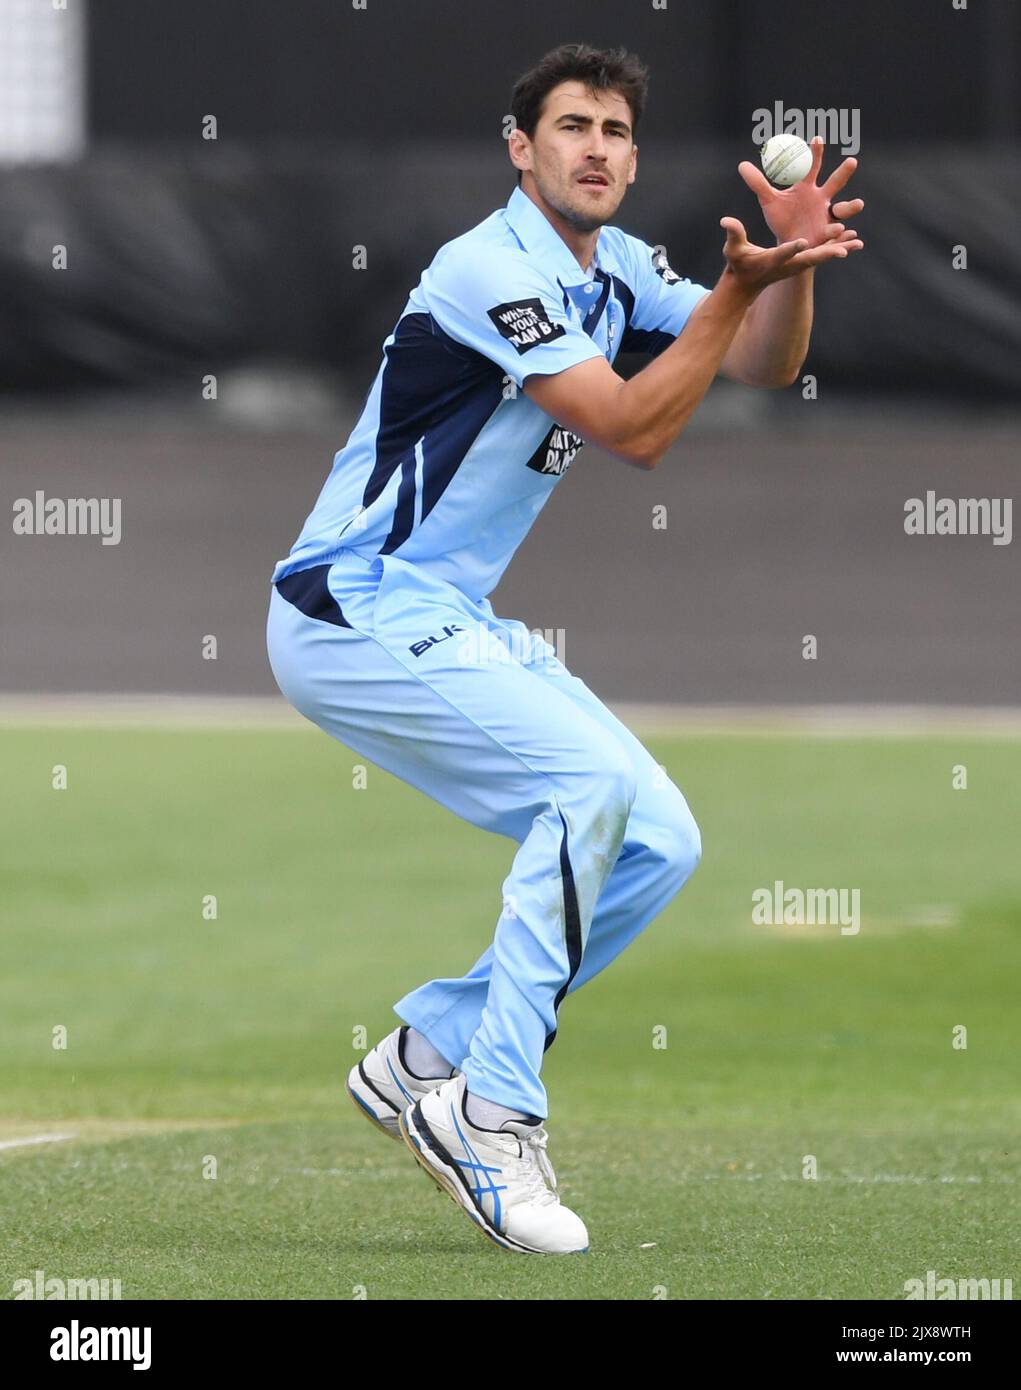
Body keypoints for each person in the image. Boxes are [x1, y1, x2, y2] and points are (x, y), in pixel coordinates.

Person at [266, 42, 864, 1255]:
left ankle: (426, 1053)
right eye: (570, 125)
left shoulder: (619, 268)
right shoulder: (492, 270)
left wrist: (782, 272)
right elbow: (635, 428)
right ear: (520, 148)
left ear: (634, 160)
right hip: (351, 602)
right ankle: (487, 1113)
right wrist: (734, 295)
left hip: (441, 611)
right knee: (585, 791)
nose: (595, 146)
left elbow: (762, 360)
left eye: (614, 131)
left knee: (660, 836)